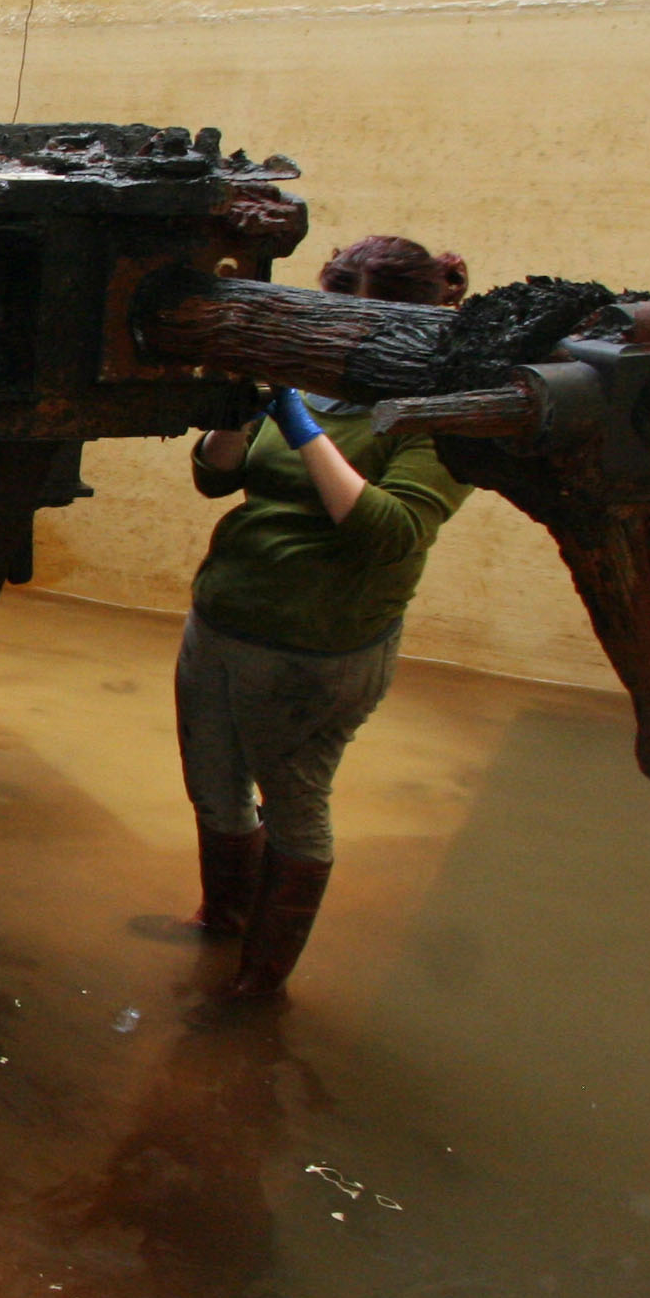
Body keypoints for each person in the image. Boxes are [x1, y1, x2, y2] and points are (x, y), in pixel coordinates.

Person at [177, 233, 474, 1005]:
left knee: (296, 803)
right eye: (334, 313)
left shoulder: (435, 417)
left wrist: (304, 427)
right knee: (214, 790)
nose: (346, 334)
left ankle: (260, 977)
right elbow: (219, 480)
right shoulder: (307, 384)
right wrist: (237, 414)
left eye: (365, 318)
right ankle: (224, 919)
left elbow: (388, 533)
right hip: (225, 618)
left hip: (321, 645)